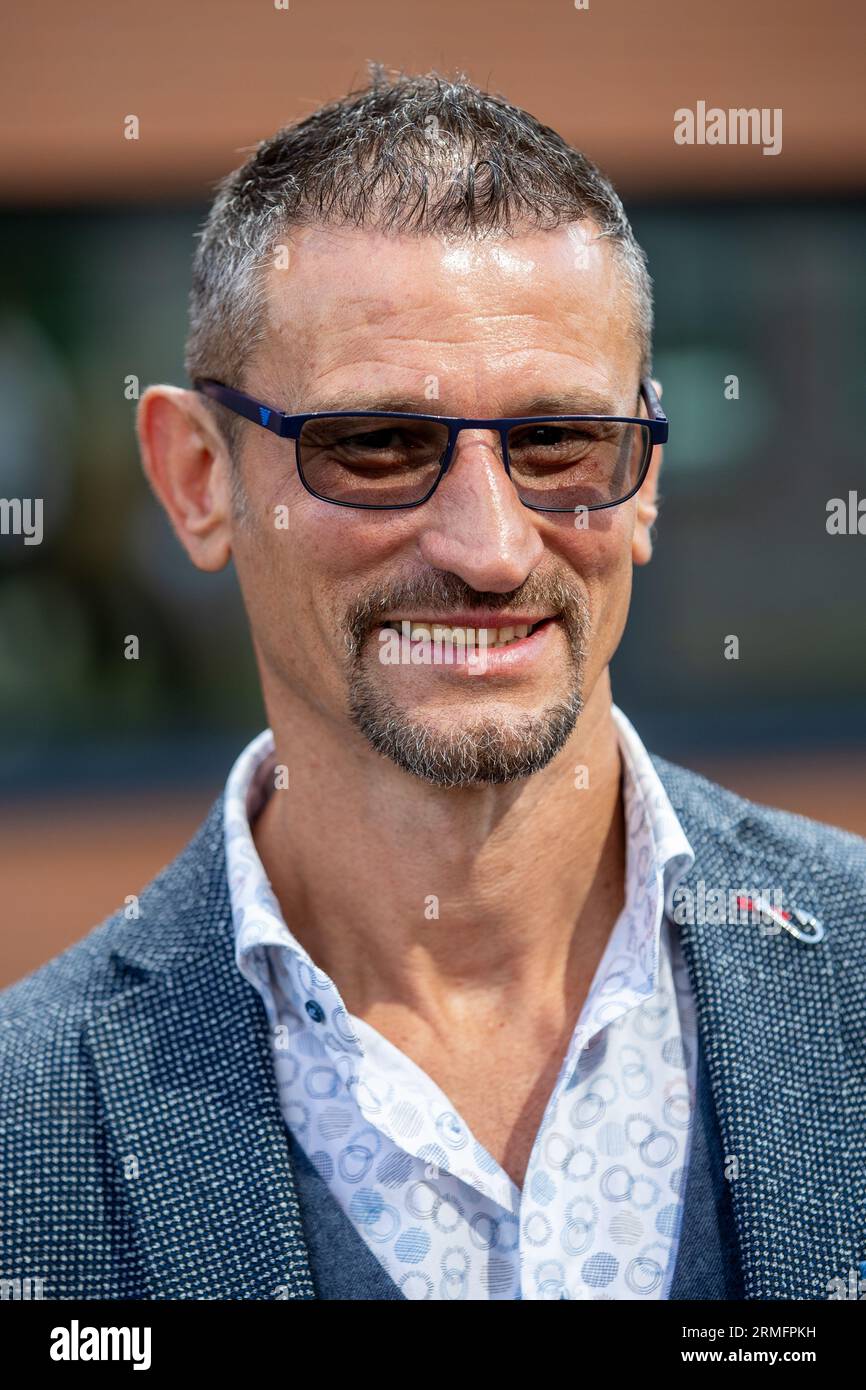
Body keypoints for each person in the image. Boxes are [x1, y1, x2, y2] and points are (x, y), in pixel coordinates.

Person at [2, 68, 864, 1303]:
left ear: (646, 477)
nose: (490, 548)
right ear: (197, 478)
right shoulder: (27, 1123)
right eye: (375, 445)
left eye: (556, 441)